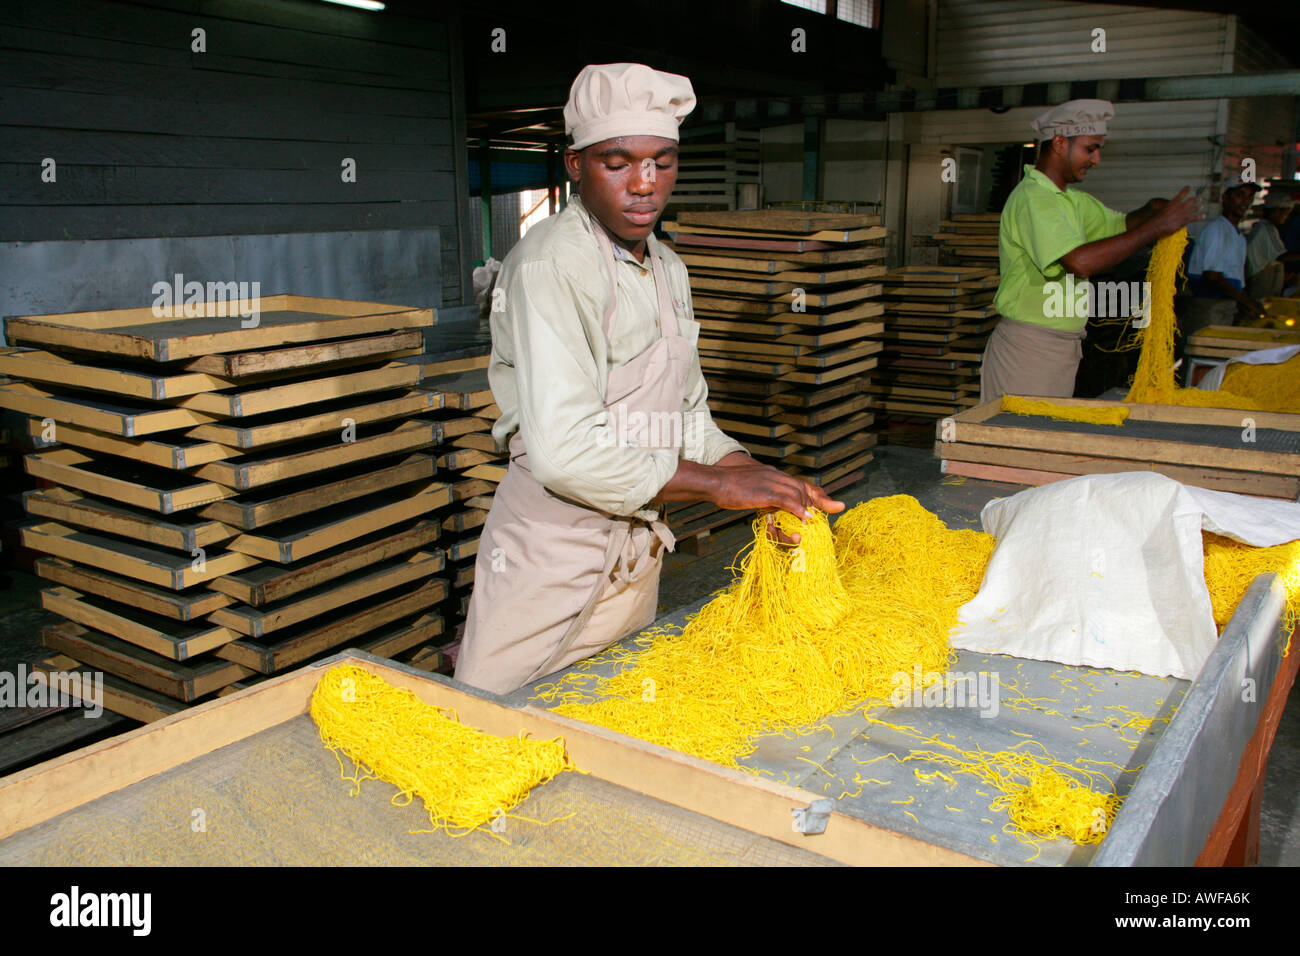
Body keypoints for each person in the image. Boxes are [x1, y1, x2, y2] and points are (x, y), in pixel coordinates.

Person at [455, 63, 844, 695]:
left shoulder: (666, 269)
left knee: (604, 720)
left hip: (639, 550)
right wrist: (716, 486)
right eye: (618, 162)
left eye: (663, 162)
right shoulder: (551, 267)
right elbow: (565, 453)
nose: (644, 185)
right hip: (552, 550)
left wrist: (750, 474)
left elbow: (686, 413)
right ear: (575, 165)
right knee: (492, 726)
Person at [982, 99, 1200, 401]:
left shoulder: (1071, 202)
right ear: (1059, 143)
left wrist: (1154, 210)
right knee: (1020, 440)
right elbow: (1079, 262)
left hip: (1060, 347)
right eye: (1090, 148)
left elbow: (1123, 225)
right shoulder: (1035, 199)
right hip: (1030, 349)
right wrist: (1156, 227)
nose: (1096, 159)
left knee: (1045, 440)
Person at [1184, 174, 1266, 333]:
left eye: (1250, 197)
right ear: (1225, 198)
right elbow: (1212, 277)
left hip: (1227, 306)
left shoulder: (1238, 236)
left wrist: (1243, 302)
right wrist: (1246, 301)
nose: (1245, 202)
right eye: (1240, 195)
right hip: (1209, 307)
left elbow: (1235, 278)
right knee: (1206, 352)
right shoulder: (1217, 230)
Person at [1245, 191, 1299, 301]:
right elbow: (1281, 256)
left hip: (1267, 281)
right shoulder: (1265, 229)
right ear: (1276, 211)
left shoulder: (1269, 228)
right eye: (1286, 214)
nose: (1286, 218)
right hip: (1261, 283)